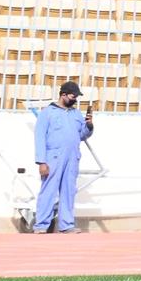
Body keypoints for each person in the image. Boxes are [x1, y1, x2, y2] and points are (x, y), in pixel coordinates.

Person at [32, 81, 92, 234]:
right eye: (73, 96)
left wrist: (89, 126)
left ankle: (67, 224)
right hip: (53, 157)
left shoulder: (76, 114)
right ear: (63, 94)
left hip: (72, 158)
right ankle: (41, 225)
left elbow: (82, 136)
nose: (75, 99)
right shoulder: (48, 113)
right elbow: (40, 137)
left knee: (69, 190)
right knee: (49, 190)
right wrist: (41, 161)